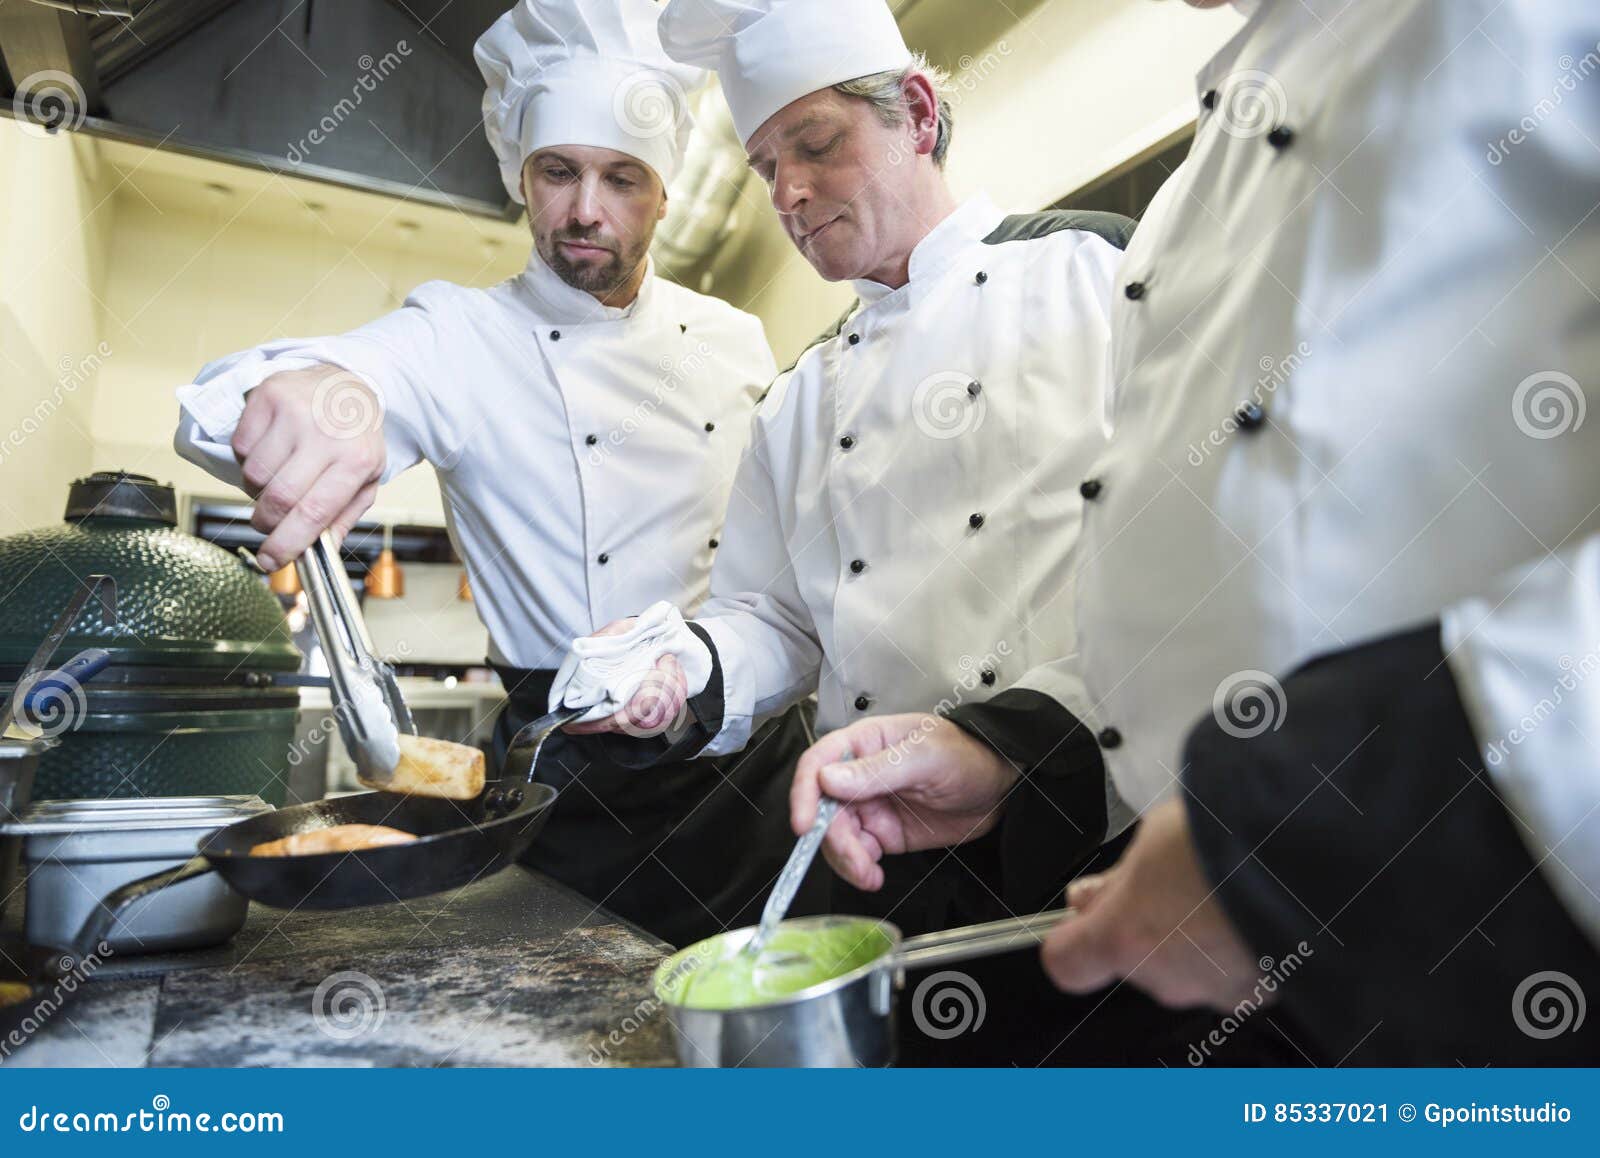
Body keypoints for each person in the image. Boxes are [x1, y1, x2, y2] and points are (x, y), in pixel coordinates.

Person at [793, 0, 1600, 1064]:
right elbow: (1205, 605)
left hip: (1490, 954)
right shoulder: (1179, 215)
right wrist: (1019, 754)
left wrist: (1302, 838)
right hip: (1206, 946)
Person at [172, 0, 815, 948]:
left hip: (745, 759)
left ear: (665, 193)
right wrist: (325, 394)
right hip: (567, 773)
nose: (587, 208)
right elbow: (226, 407)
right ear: (522, 174)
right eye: (559, 171)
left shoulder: (734, 339)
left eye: (622, 178)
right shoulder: (462, 335)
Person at [554, 0, 1135, 940]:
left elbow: (1212, 538)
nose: (786, 192)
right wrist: (686, 662)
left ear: (916, 111)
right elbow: (770, 619)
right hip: (877, 844)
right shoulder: (797, 400)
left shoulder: (1097, 272)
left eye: (814, 144)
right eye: (765, 167)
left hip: (1097, 826)